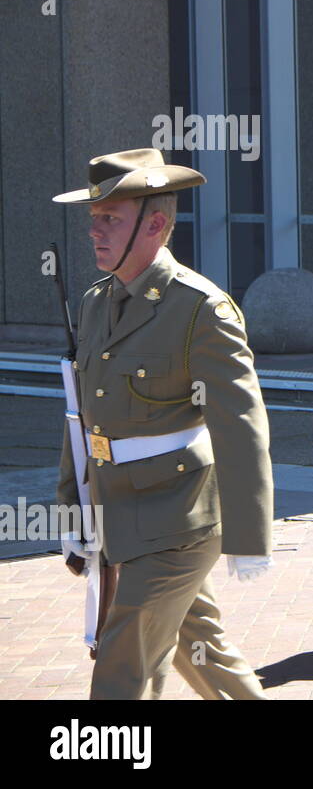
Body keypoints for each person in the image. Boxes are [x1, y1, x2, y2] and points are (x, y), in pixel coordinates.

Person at [53, 148, 273, 700]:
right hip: (120, 510)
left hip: (178, 517)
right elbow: (81, 416)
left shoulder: (200, 309)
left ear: (155, 224)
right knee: (206, 656)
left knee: (124, 661)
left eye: (111, 219)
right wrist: (73, 507)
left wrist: (250, 535)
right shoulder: (95, 302)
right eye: (94, 219)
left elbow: (240, 424)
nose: (95, 231)